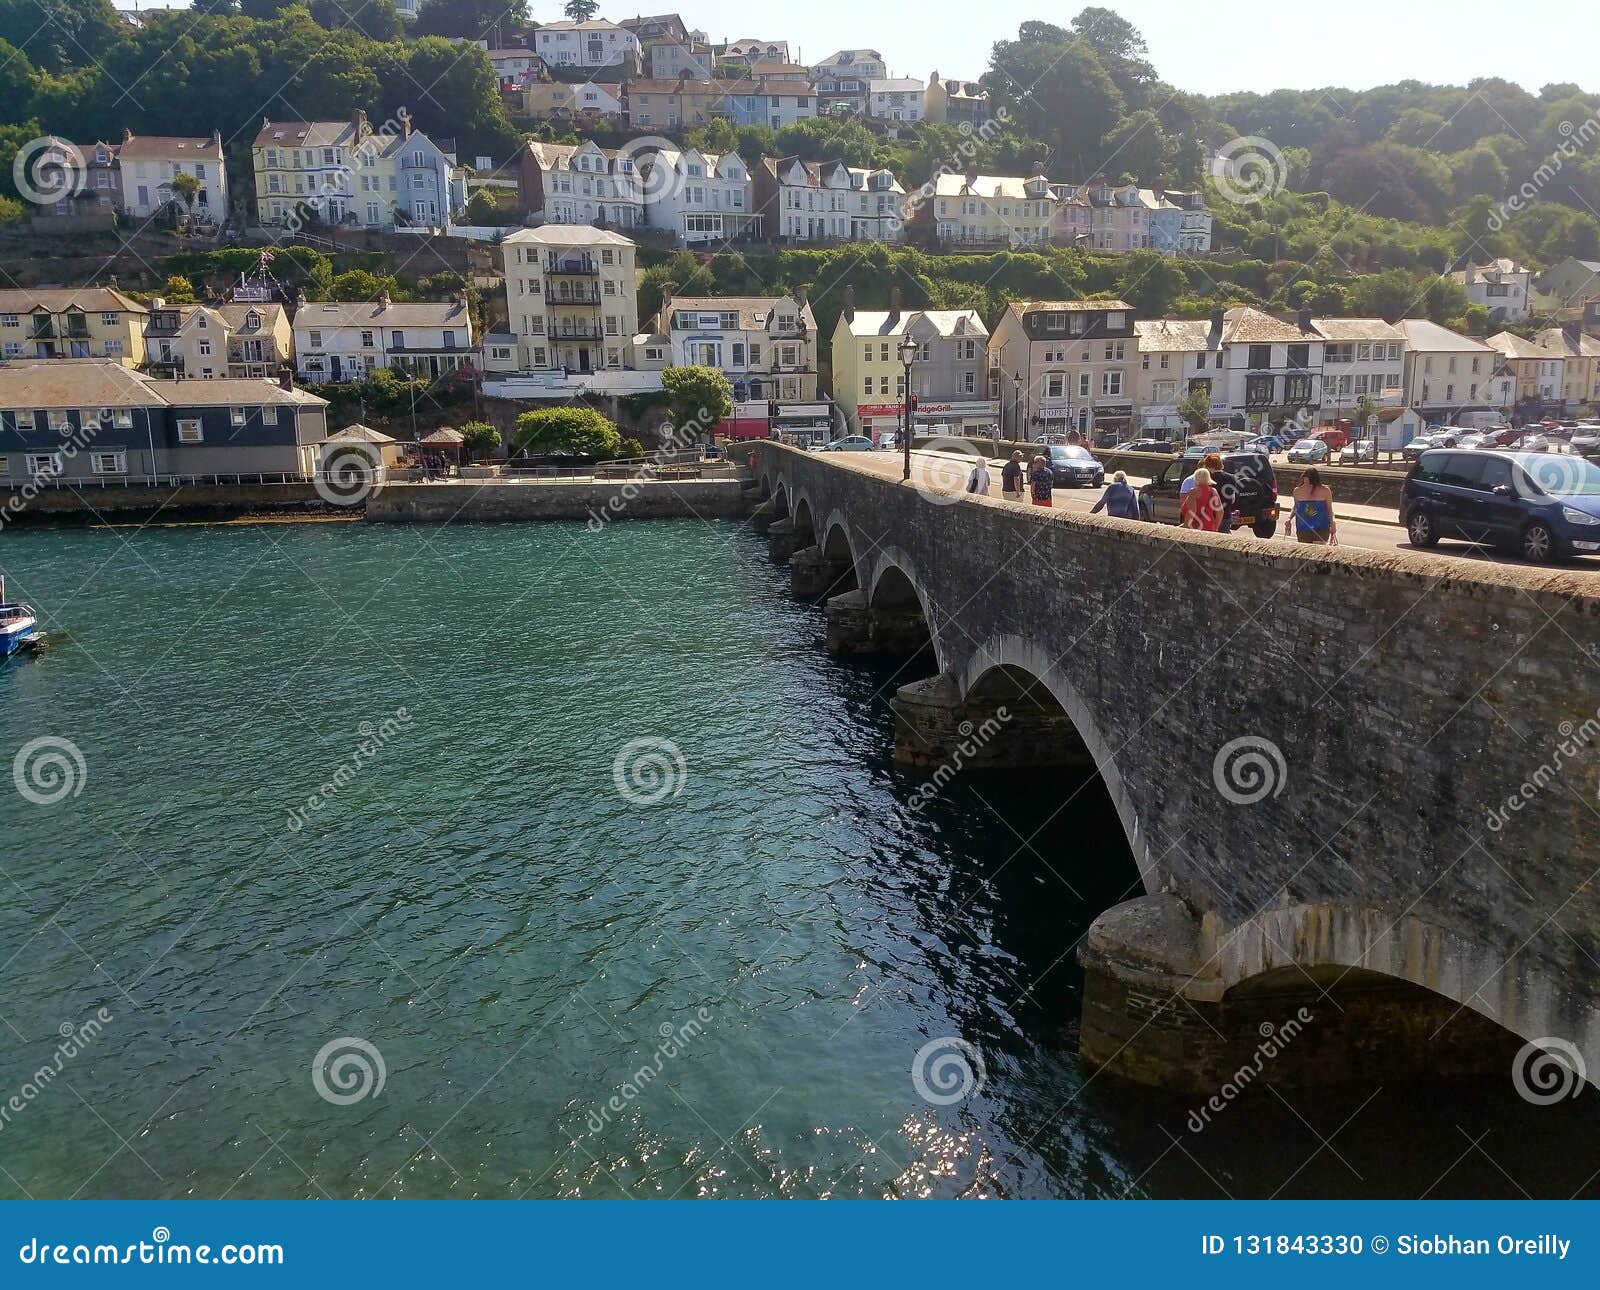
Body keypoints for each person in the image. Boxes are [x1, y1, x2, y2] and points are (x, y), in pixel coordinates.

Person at [1290, 468, 1336, 544]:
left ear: (1314, 480)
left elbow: (1329, 509)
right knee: (1305, 552)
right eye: (1304, 481)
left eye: (1308, 482)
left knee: (1318, 552)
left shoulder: (1325, 490)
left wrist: (1333, 522)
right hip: (1303, 528)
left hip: (1321, 527)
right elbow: (1295, 507)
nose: (1306, 485)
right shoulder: (1297, 491)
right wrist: (1289, 518)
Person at [1180, 466, 1222, 531]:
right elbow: (1220, 511)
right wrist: (1216, 527)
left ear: (1196, 478)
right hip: (1210, 527)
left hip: (1195, 528)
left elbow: (1192, 511)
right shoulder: (1213, 491)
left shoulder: (1194, 491)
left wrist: (1185, 527)